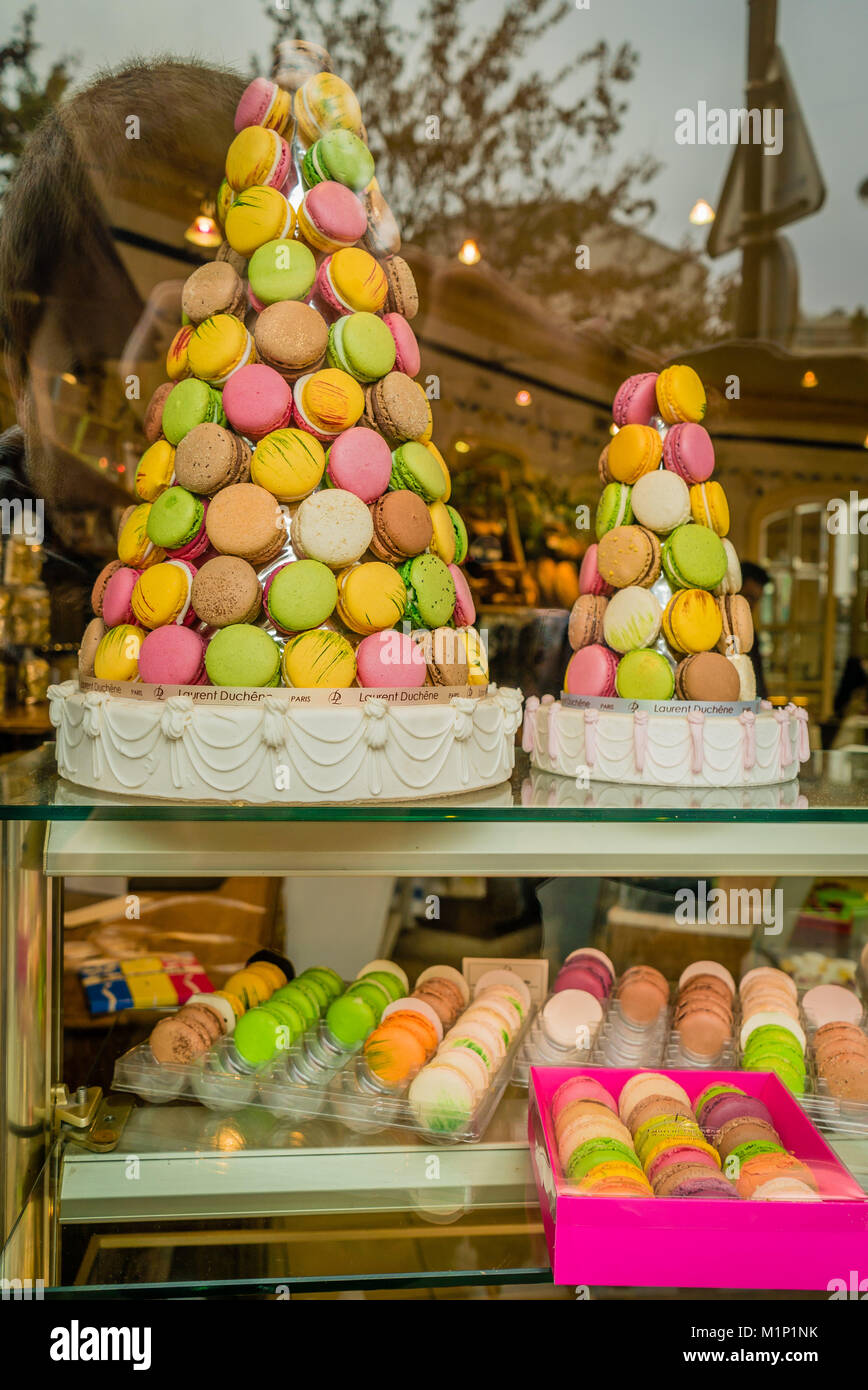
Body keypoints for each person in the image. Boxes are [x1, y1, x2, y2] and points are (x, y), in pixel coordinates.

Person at [740, 560, 771, 700]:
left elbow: (757, 680)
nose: (751, 606)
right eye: (748, 597)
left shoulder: (751, 635)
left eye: (755, 601)